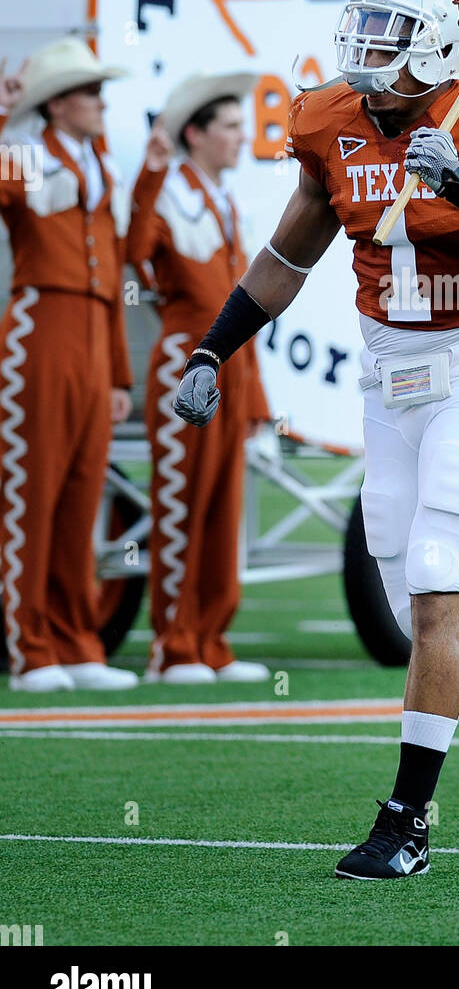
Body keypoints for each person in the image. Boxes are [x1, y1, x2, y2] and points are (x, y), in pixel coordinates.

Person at [171, 0, 459, 876]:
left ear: (440, 43)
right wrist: (215, 348)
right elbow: (286, 257)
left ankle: (406, 820)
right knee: (411, 595)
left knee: (432, 587)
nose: (368, 46)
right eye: (366, 24)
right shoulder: (329, 121)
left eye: (392, 30)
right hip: (389, 378)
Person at [0, 38, 137, 691]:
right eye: (89, 92)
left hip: (90, 328)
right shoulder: (25, 154)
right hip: (41, 327)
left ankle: (78, 642)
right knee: (33, 492)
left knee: (84, 495)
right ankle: (29, 648)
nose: (100, 102)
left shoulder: (98, 163)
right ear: (57, 105)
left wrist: (117, 373)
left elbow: (110, 273)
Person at [126, 73, 272, 685]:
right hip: (183, 359)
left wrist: (256, 396)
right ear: (197, 133)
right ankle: (174, 646)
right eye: (232, 127)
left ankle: (211, 639)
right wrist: (151, 174)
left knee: (221, 506)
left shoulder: (222, 197)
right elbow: (133, 251)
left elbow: (246, 305)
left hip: (228, 363)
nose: (243, 137)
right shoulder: (166, 192)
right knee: (180, 502)